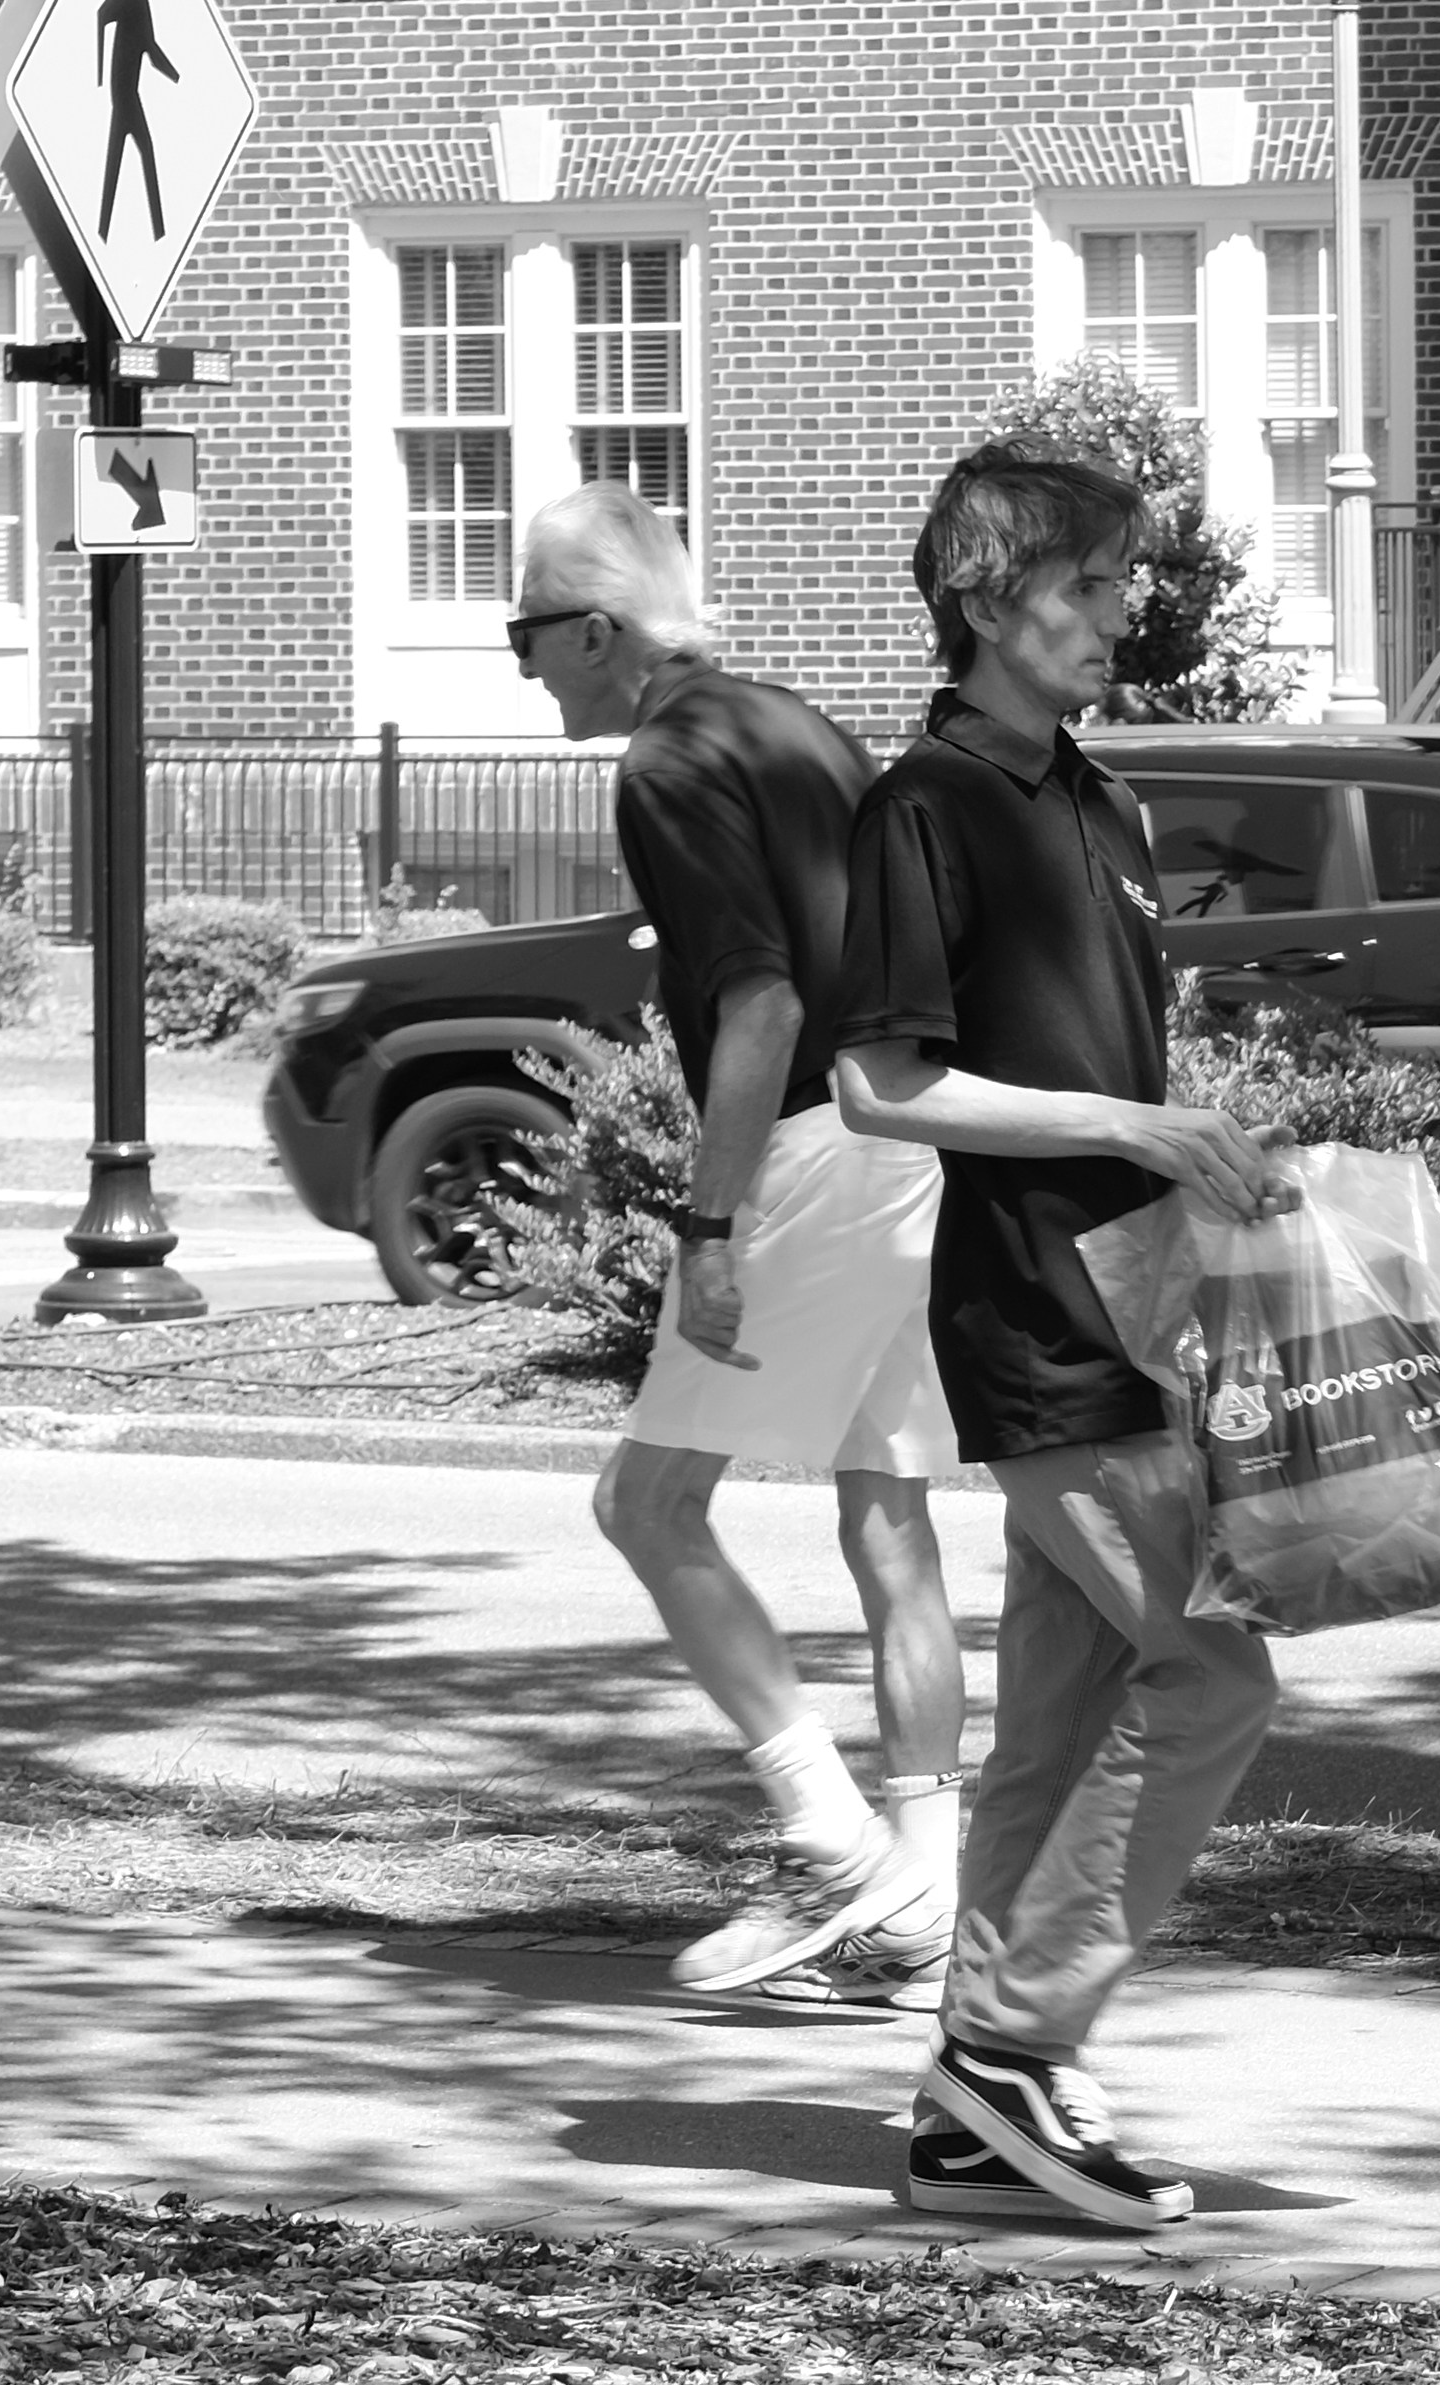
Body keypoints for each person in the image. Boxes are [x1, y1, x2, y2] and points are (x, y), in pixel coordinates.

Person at [831, 446, 1295, 2235]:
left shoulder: (1102, 806)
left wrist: (1198, 1164)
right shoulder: (924, 807)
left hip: (1145, 1314)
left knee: (1068, 1718)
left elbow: (1111, 1072)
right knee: (1218, 1675)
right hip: (1038, 1327)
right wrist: (1136, 1134)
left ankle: (967, 2111)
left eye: (1124, 585)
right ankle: (1019, 2045)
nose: (1125, 613)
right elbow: (882, 1088)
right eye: (1091, 587)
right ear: (988, 596)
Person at [504, 488, 966, 2008]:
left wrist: (709, 1223)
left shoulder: (669, 760)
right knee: (891, 1522)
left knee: (646, 1503)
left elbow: (760, 1003)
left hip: (819, 1153)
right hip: (914, 1145)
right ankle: (927, 1908)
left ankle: (830, 1848)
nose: (523, 669)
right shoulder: (796, 726)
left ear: (599, 632)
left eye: (529, 635)